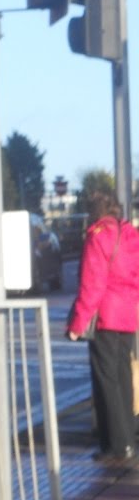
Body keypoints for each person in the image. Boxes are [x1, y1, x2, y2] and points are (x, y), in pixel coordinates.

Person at [67, 191, 139, 461]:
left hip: (106, 317)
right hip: (127, 316)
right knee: (122, 376)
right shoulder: (130, 233)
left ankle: (116, 446)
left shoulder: (98, 235)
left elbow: (92, 284)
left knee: (106, 380)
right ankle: (128, 438)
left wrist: (78, 322)